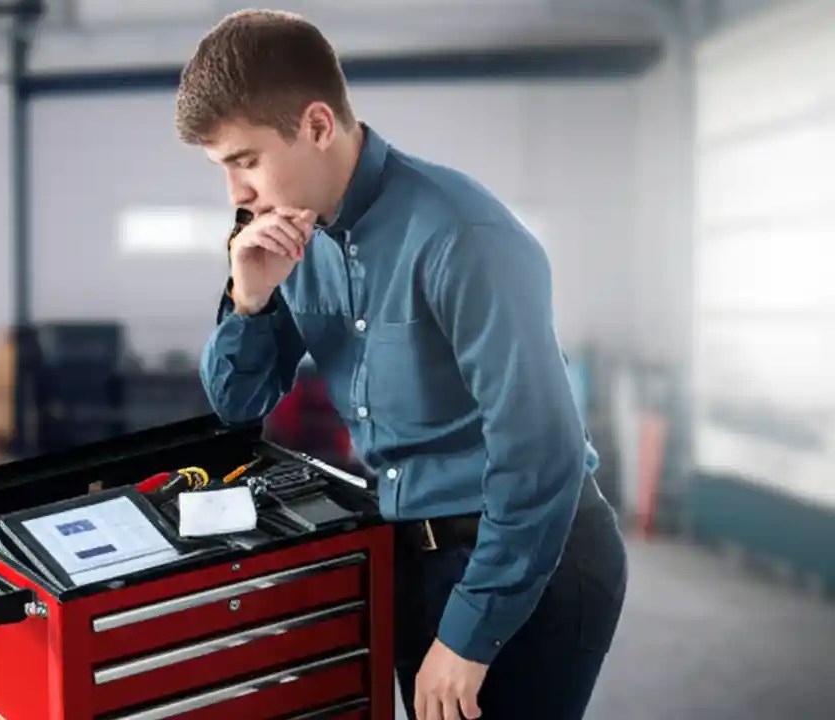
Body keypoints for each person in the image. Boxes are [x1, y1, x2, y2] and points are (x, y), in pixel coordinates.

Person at [176, 9, 629, 720]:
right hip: (413, 557)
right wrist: (250, 296)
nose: (236, 194)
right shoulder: (287, 238)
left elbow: (542, 457)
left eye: (246, 161)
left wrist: (469, 637)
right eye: (223, 169)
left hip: (532, 555)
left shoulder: (463, 237)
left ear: (318, 126)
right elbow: (239, 404)